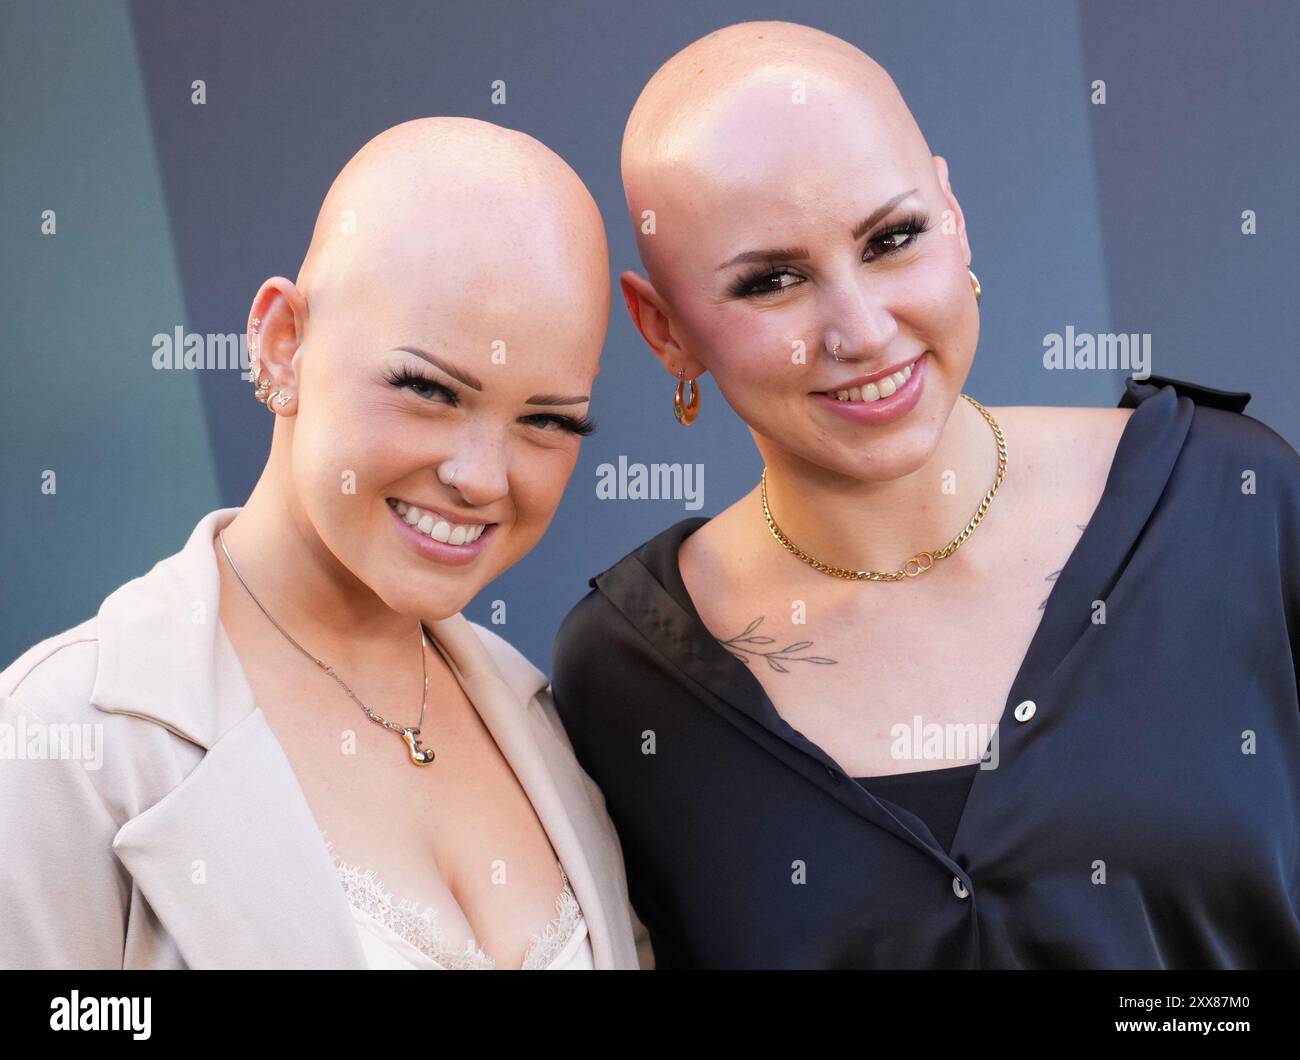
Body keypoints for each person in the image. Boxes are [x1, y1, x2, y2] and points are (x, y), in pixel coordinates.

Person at [550, 21, 1300, 968]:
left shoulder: (1233, 503)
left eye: (893, 238)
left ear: (954, 214)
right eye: (773, 281)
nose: (861, 330)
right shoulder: (626, 676)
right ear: (664, 330)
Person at [0, 116, 651, 970]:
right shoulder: (62, 742)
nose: (484, 477)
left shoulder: (545, 722)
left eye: (547, 421)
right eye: (430, 390)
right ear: (282, 344)